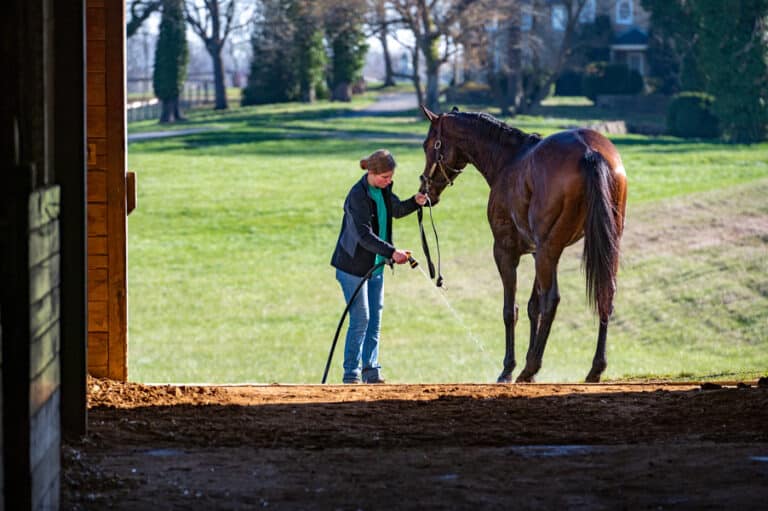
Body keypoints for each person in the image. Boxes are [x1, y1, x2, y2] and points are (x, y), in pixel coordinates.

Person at [331, 149, 428, 384]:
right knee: (361, 318)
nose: (389, 181)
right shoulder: (357, 196)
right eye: (385, 177)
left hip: (376, 267)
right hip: (353, 268)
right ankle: (351, 374)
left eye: (390, 177)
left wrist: (415, 203)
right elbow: (364, 236)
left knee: (375, 319)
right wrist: (392, 253)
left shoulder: (383, 189)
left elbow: (395, 210)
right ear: (372, 174)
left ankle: (371, 371)